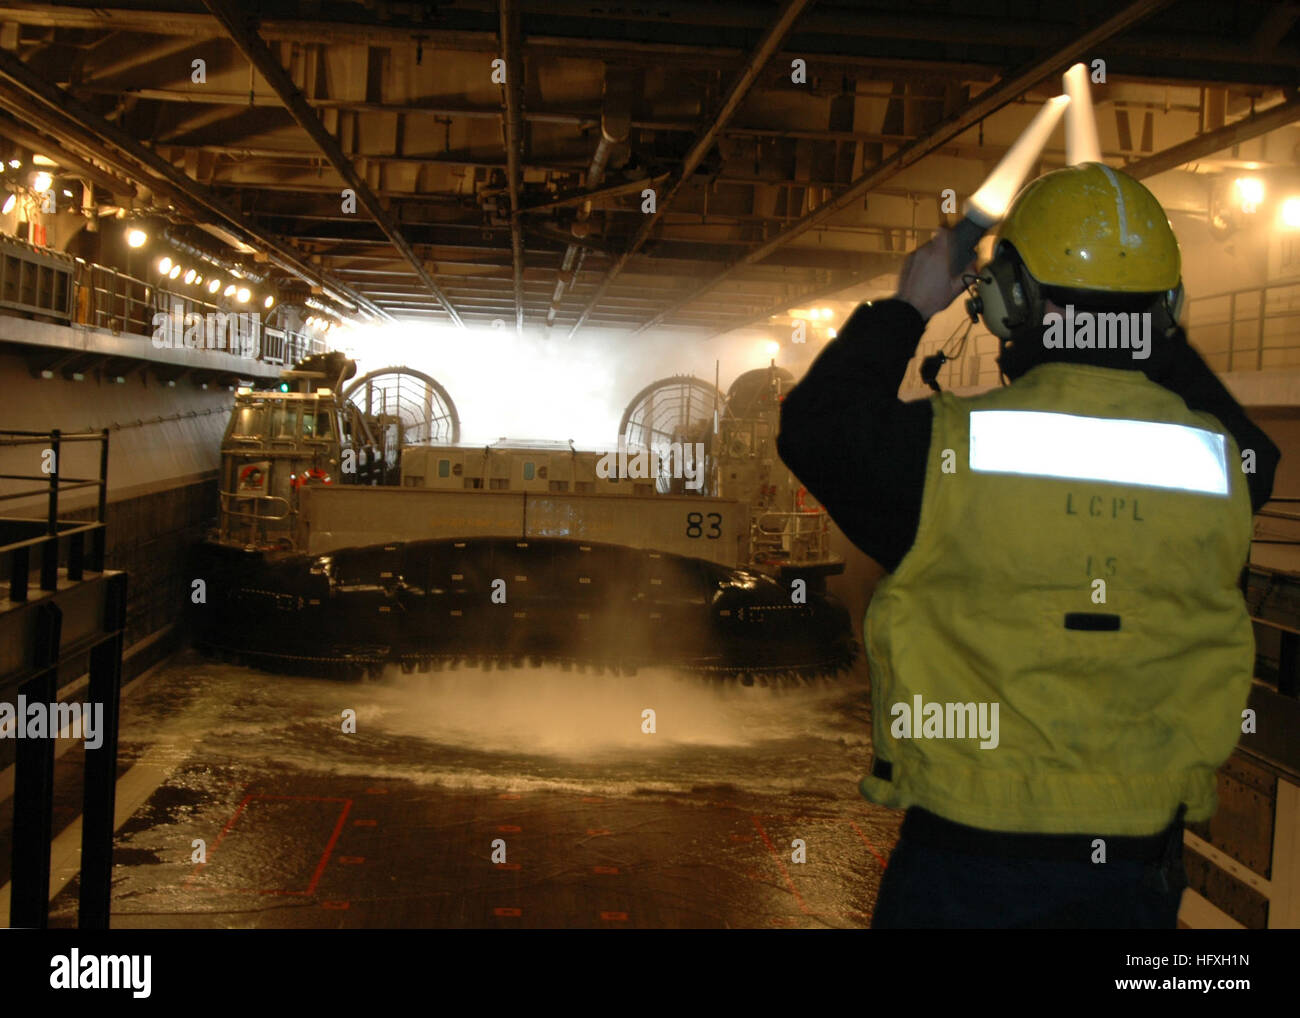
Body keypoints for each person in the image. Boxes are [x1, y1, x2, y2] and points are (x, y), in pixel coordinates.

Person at [776, 163, 1280, 929]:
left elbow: (816, 425)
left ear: (1012, 303)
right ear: (1170, 309)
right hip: (1139, 872)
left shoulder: (944, 455)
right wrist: (1144, 329)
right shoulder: (1222, 467)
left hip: (968, 866)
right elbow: (1251, 447)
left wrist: (909, 305)